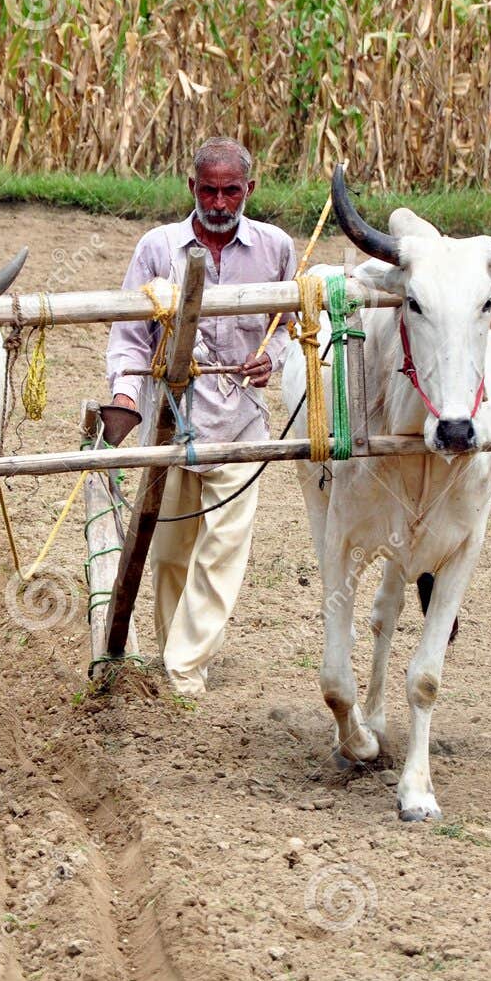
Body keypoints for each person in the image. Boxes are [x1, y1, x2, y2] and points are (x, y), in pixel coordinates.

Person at [105, 136, 296, 697]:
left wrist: (273, 357)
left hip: (241, 422)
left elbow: (284, 324)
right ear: (191, 187)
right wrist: (124, 397)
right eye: (208, 190)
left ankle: (183, 671)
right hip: (171, 416)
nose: (218, 202)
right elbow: (128, 336)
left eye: (230, 190)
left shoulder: (277, 248)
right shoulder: (157, 247)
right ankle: (174, 654)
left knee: (222, 549)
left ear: (249, 190)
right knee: (169, 552)